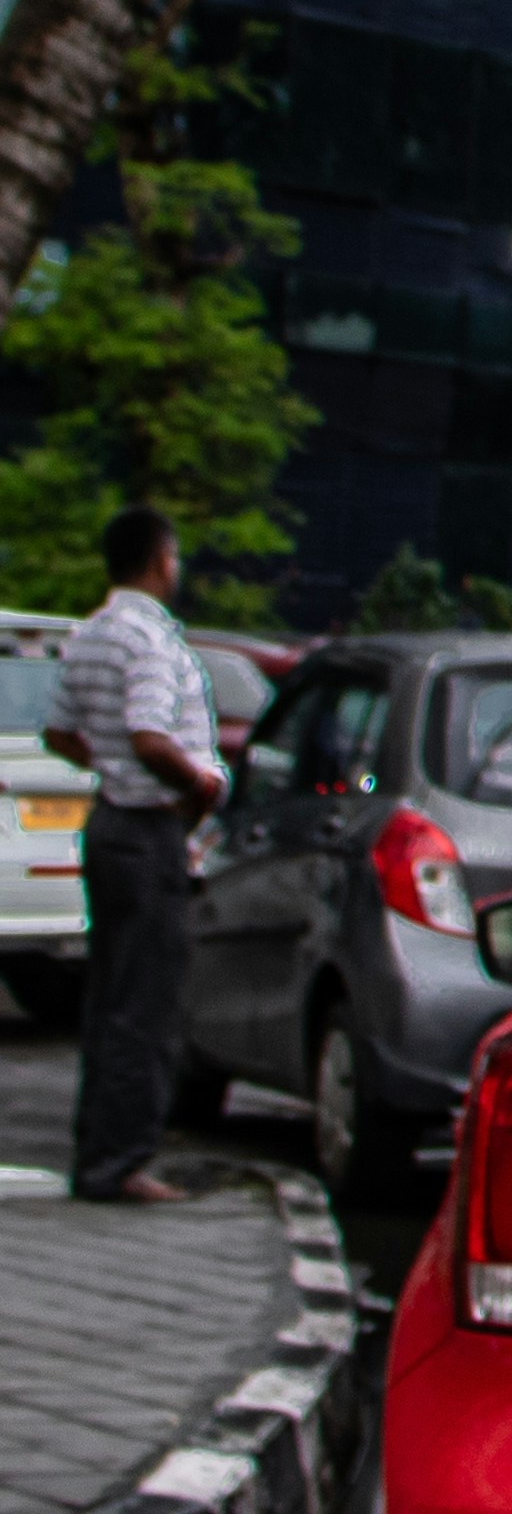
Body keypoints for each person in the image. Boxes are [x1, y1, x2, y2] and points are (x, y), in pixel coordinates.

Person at [44, 507, 230, 1203]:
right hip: (149, 830)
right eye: (173, 555)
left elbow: (60, 732)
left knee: (109, 996)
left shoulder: (90, 635)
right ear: (158, 559)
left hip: (108, 825)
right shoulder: (150, 642)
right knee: (147, 1002)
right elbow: (151, 735)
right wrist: (199, 788)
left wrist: (110, 766)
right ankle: (120, 1161)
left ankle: (96, 1149)